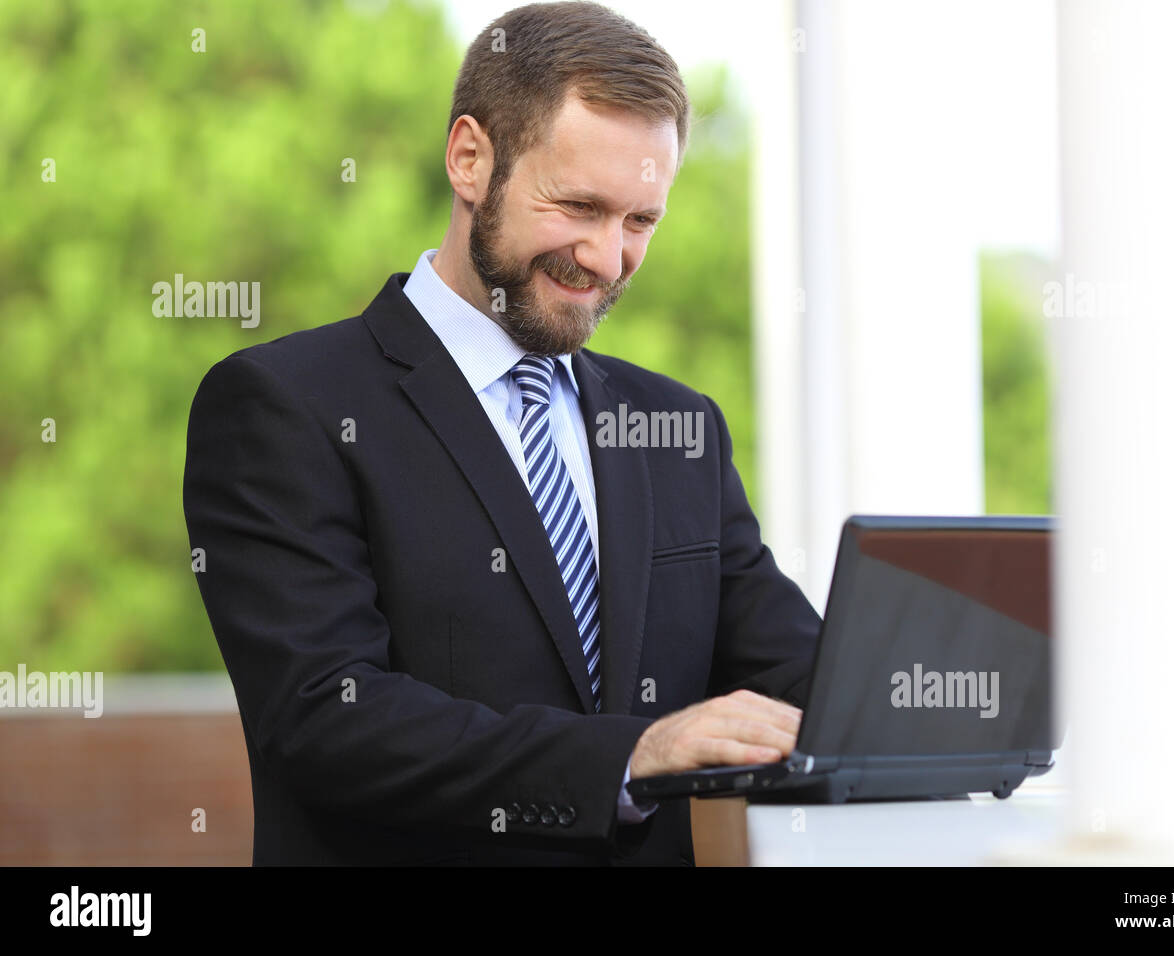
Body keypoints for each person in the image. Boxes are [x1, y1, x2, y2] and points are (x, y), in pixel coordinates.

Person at [182, 0, 820, 866]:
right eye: (577, 207)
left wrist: (943, 695)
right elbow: (327, 717)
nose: (605, 257)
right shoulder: (282, 408)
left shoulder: (678, 431)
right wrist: (630, 756)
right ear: (470, 159)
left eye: (640, 222)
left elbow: (798, 678)